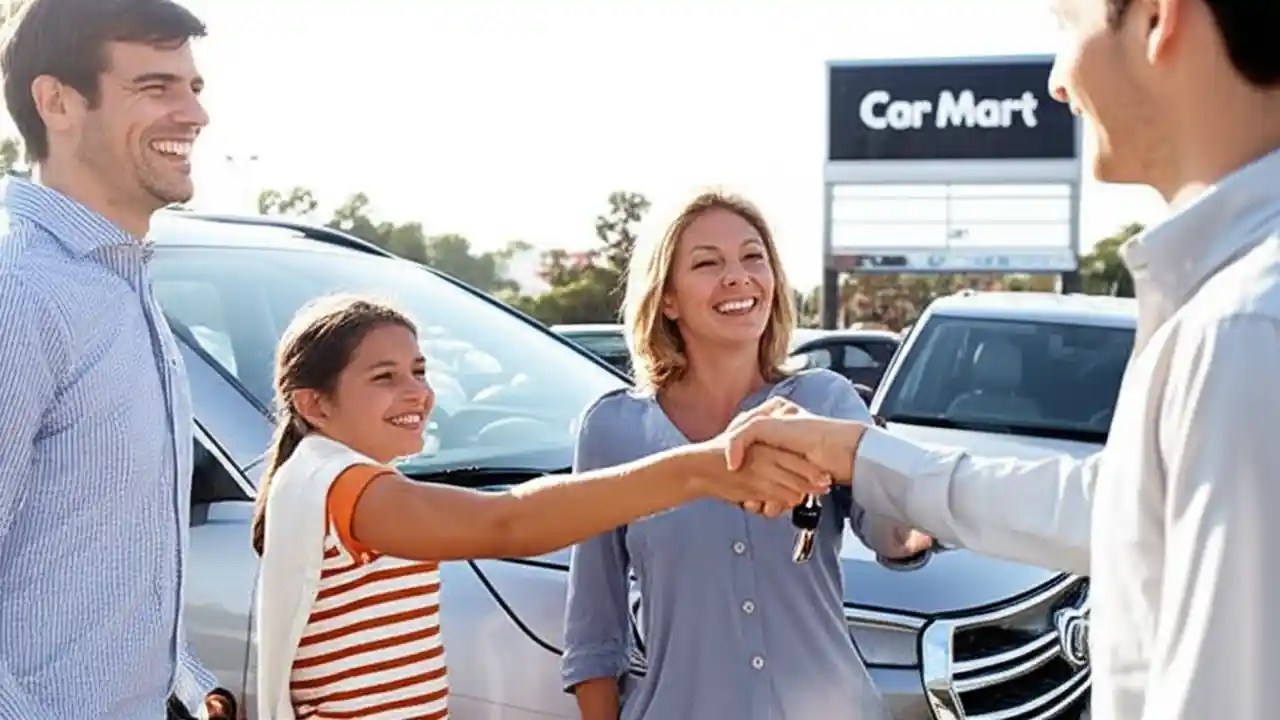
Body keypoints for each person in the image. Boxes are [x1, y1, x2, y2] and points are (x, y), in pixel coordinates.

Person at [725, 2, 1280, 718]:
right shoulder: (1234, 311)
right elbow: (1108, 509)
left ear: (1156, 17)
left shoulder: (1243, 328)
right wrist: (857, 453)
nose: (1056, 82)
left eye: (1066, 27)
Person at [251, 293, 830, 720]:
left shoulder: (336, 482)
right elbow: (507, 522)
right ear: (315, 405)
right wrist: (700, 469)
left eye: (419, 371)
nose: (417, 393)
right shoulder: (348, 492)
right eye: (385, 377)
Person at [560, 191, 933, 720]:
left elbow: (892, 533)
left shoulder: (825, 401)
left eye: (753, 257)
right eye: (708, 263)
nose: (738, 276)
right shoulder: (612, 432)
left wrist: (922, 499)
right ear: (667, 298)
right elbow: (593, 632)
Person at [0, 0, 234, 718]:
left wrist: (188, 686)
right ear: (58, 102)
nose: (193, 114)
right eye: (155, 87)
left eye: (193, 88)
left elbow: (104, 548)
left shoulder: (120, 282)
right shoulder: (20, 289)